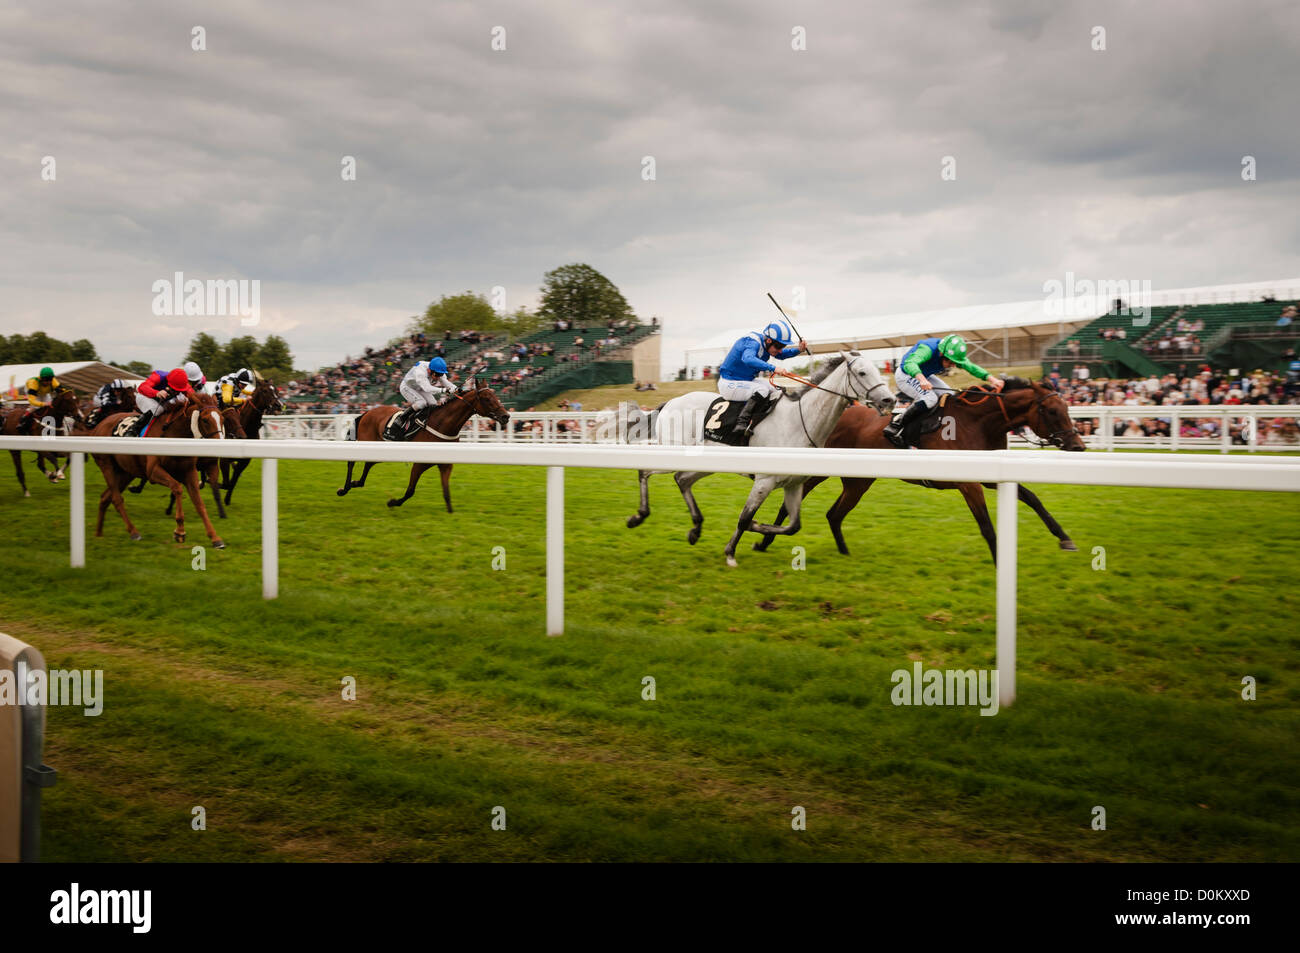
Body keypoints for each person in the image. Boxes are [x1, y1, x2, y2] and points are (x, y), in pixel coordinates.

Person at [883, 334, 1003, 447]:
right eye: (950, 362)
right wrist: (922, 379)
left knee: (949, 395)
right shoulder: (927, 348)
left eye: (955, 363)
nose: (953, 365)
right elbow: (910, 363)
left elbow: (971, 367)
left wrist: (992, 379)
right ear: (941, 353)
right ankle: (896, 423)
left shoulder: (951, 353)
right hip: (906, 375)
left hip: (925, 375)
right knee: (930, 399)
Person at [717, 319, 808, 436]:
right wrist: (773, 368)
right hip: (729, 383)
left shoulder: (768, 345)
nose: (780, 349)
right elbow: (748, 359)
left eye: (783, 346)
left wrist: (799, 350)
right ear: (769, 340)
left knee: (777, 389)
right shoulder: (752, 342)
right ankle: (742, 423)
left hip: (746, 381)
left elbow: (781, 354)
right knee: (762, 390)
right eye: (779, 346)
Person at [391, 357, 458, 434]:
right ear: (429, 370)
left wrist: (456, 388)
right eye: (437, 375)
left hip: (420, 387)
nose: (439, 377)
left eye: (441, 374)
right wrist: (444, 390)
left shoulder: (436, 370)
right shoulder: (420, 372)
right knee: (421, 403)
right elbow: (427, 388)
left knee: (433, 405)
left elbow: (445, 382)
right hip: (407, 387)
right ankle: (402, 418)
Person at [128, 368, 193, 436]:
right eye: (174, 390)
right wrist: (156, 393)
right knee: (159, 410)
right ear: (169, 382)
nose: (176, 393)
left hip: (160, 401)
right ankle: (133, 430)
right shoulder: (159, 376)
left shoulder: (182, 384)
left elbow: (193, 395)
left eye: (178, 391)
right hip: (144, 396)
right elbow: (142, 387)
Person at [17, 366, 60, 434]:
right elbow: (32, 401)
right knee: (36, 407)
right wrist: (44, 404)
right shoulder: (33, 383)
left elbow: (62, 392)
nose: (49, 382)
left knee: (51, 405)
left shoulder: (54, 381)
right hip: (33, 391)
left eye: (50, 379)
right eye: (46, 380)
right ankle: (23, 420)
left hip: (44, 392)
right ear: (41, 379)